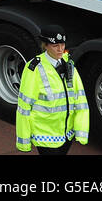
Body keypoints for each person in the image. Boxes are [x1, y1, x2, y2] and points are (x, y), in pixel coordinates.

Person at [15, 25, 88, 155]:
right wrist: (24, 141)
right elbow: (24, 106)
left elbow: (80, 99)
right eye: (55, 46)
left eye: (62, 44)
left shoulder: (69, 65)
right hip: (45, 135)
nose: (60, 49)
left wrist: (81, 130)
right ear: (45, 46)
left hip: (67, 135)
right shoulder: (34, 68)